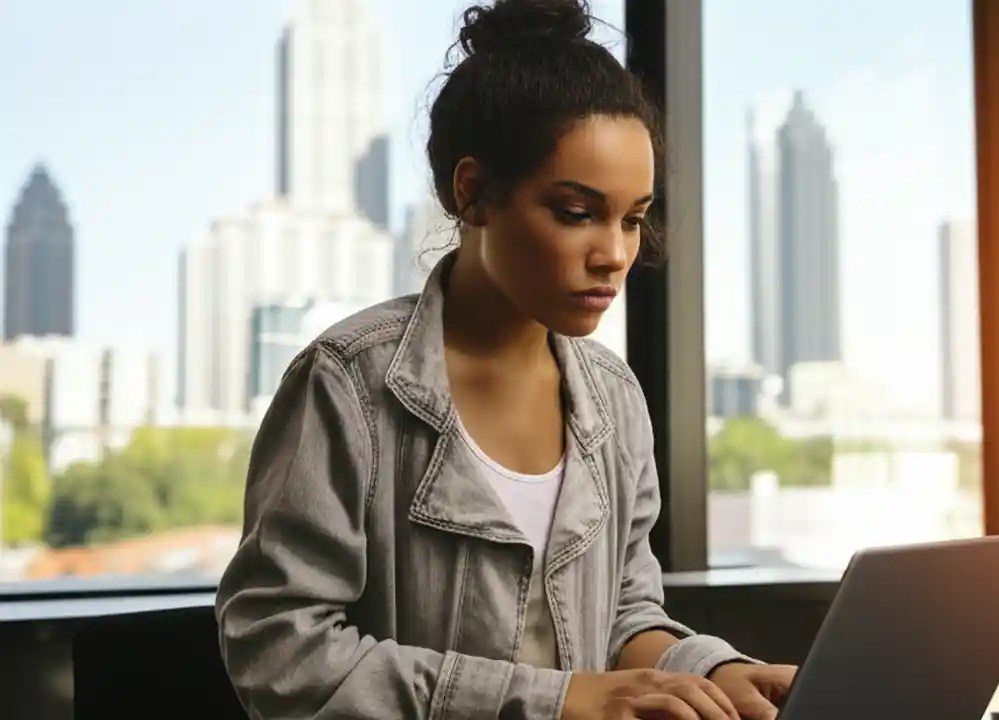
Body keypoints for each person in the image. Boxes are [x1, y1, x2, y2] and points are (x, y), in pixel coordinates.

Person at [214, 0, 796, 718]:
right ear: (475, 193)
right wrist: (553, 703)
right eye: (576, 212)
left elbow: (624, 616)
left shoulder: (615, 400)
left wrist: (714, 670)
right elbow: (280, 651)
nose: (615, 253)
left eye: (633, 218)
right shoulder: (347, 385)